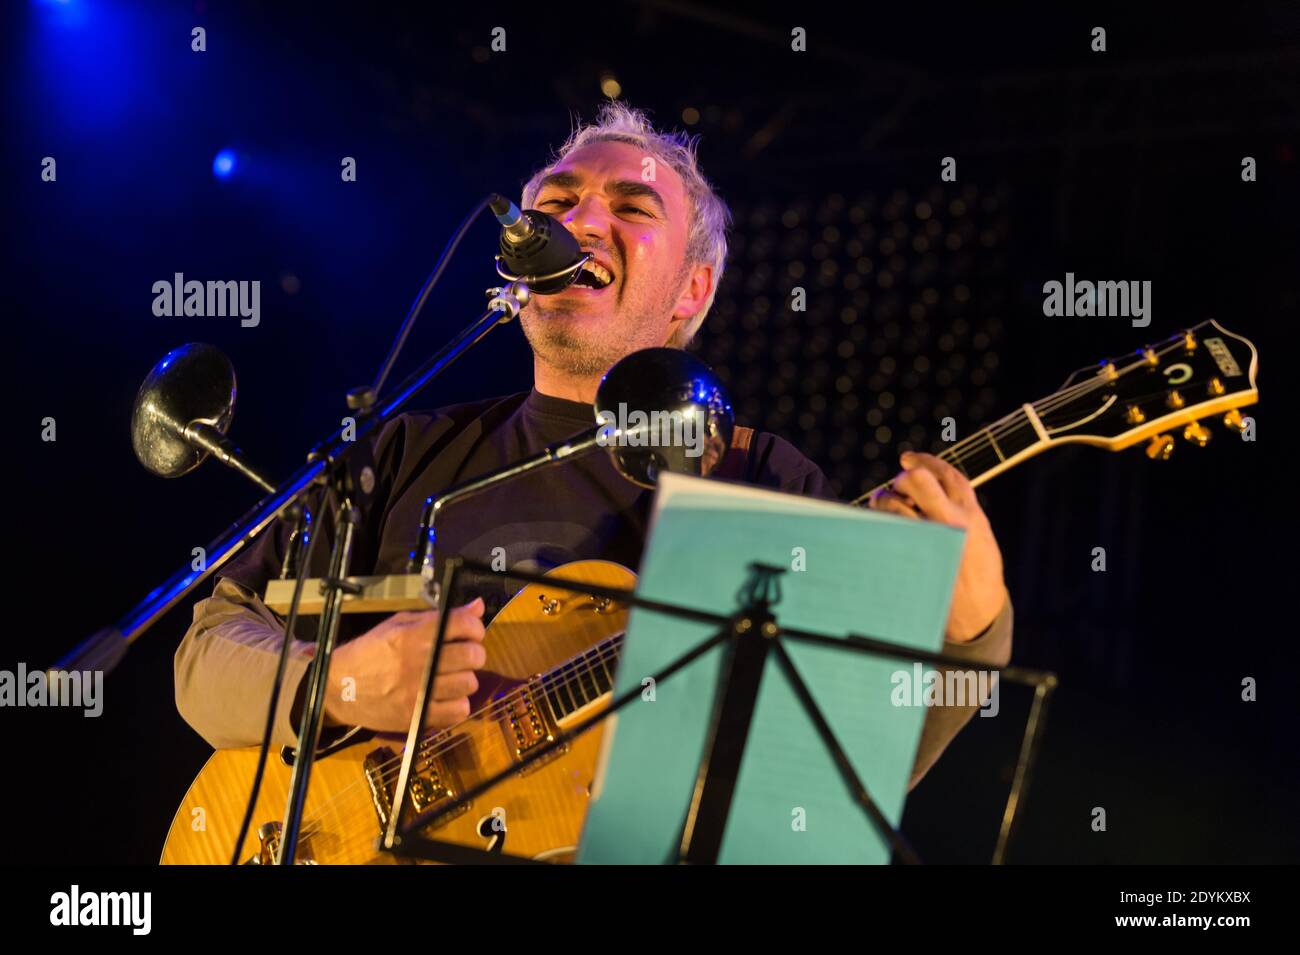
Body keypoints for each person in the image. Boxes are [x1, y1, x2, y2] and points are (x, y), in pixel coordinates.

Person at [175, 102, 1011, 788]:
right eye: (559, 200)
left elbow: (843, 771)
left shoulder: (761, 482)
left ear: (693, 289)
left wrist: (974, 635)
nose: (581, 220)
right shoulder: (400, 453)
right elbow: (206, 654)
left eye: (632, 207)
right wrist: (348, 680)